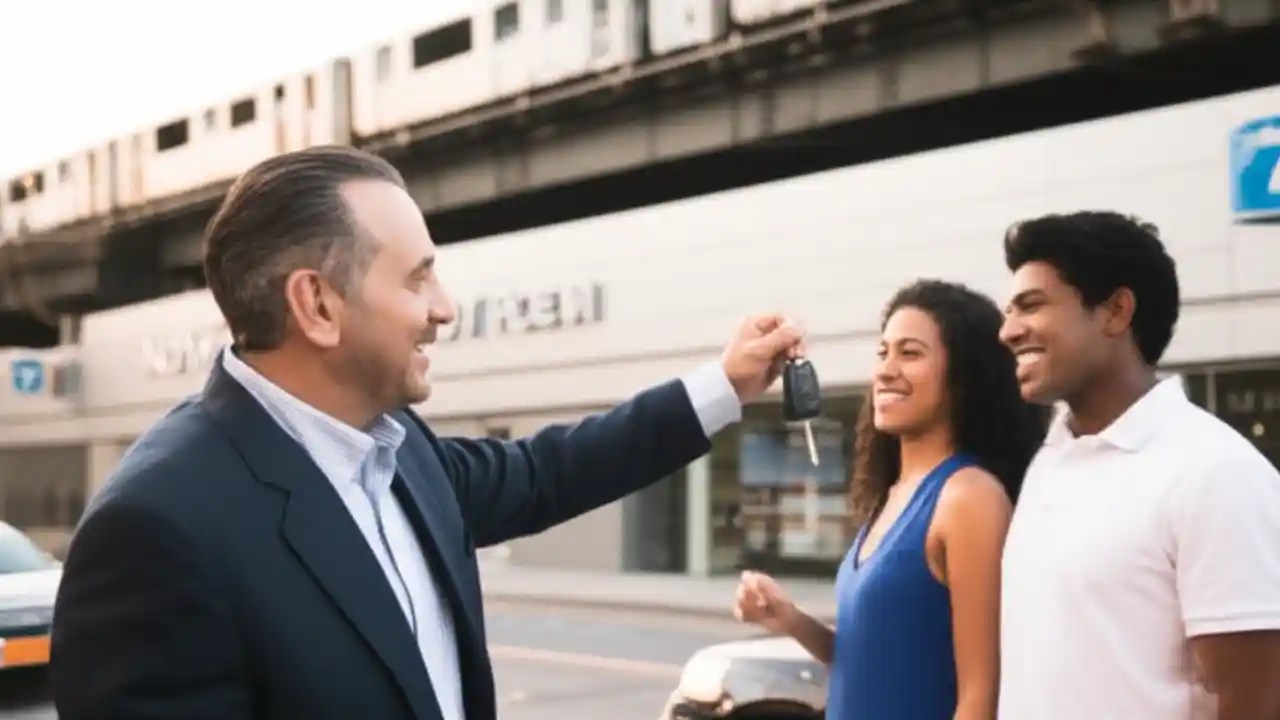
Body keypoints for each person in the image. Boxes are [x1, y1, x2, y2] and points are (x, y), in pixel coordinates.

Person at [49, 145, 805, 720]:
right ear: (316, 304)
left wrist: (726, 386)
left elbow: (548, 471)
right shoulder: (156, 529)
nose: (444, 308)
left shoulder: (402, 448)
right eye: (417, 278)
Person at [996, 211, 1280, 719]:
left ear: (1116, 311)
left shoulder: (1217, 473)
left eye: (1031, 305)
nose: (1008, 331)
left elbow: (1256, 698)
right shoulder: (1051, 458)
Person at [734, 279, 1048, 720]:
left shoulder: (967, 497)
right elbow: (871, 664)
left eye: (911, 352)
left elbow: (981, 699)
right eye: (883, 352)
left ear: (963, 376)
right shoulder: (893, 496)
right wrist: (788, 619)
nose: (886, 369)